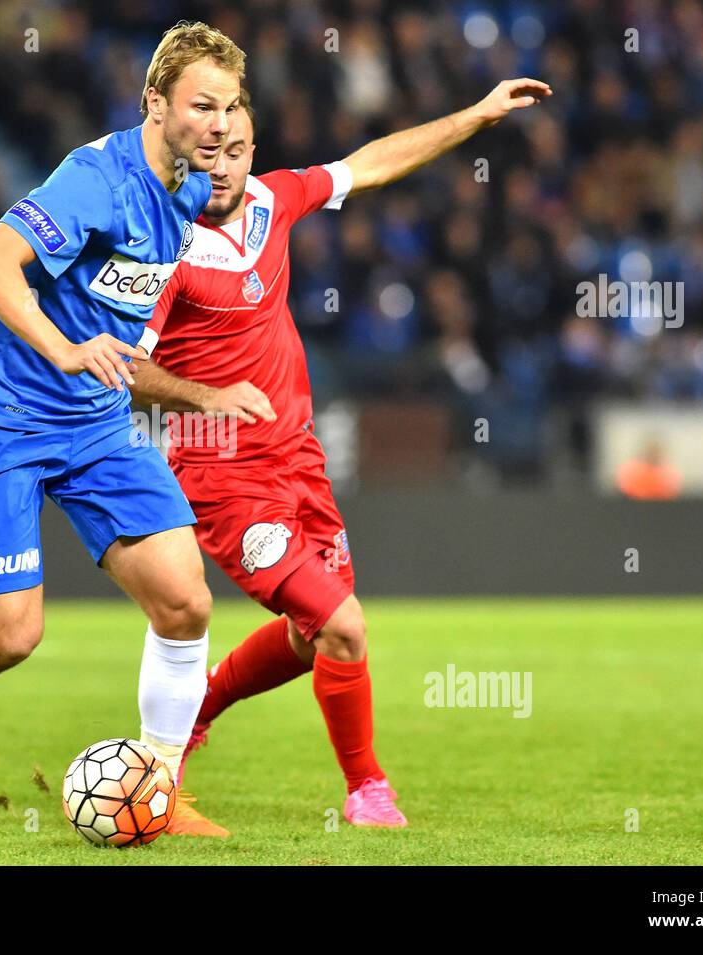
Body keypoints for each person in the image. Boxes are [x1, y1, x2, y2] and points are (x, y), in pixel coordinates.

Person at [0, 22, 245, 834]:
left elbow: (323, 177)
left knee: (185, 601)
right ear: (155, 103)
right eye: (202, 106)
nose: (219, 124)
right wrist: (65, 348)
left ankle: (158, 789)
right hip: (6, 416)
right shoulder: (96, 179)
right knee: (10, 634)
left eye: (231, 107)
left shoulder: (194, 186)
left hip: (95, 421)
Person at [132, 78, 552, 830]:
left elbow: (375, 162)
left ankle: (195, 713)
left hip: (299, 459)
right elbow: (126, 368)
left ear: (252, 152)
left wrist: (476, 114)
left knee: (309, 636)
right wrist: (205, 399)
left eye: (235, 150)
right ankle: (367, 788)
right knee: (346, 626)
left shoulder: (275, 199)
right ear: (183, 156)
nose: (221, 166)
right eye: (207, 152)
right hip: (221, 474)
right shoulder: (162, 250)